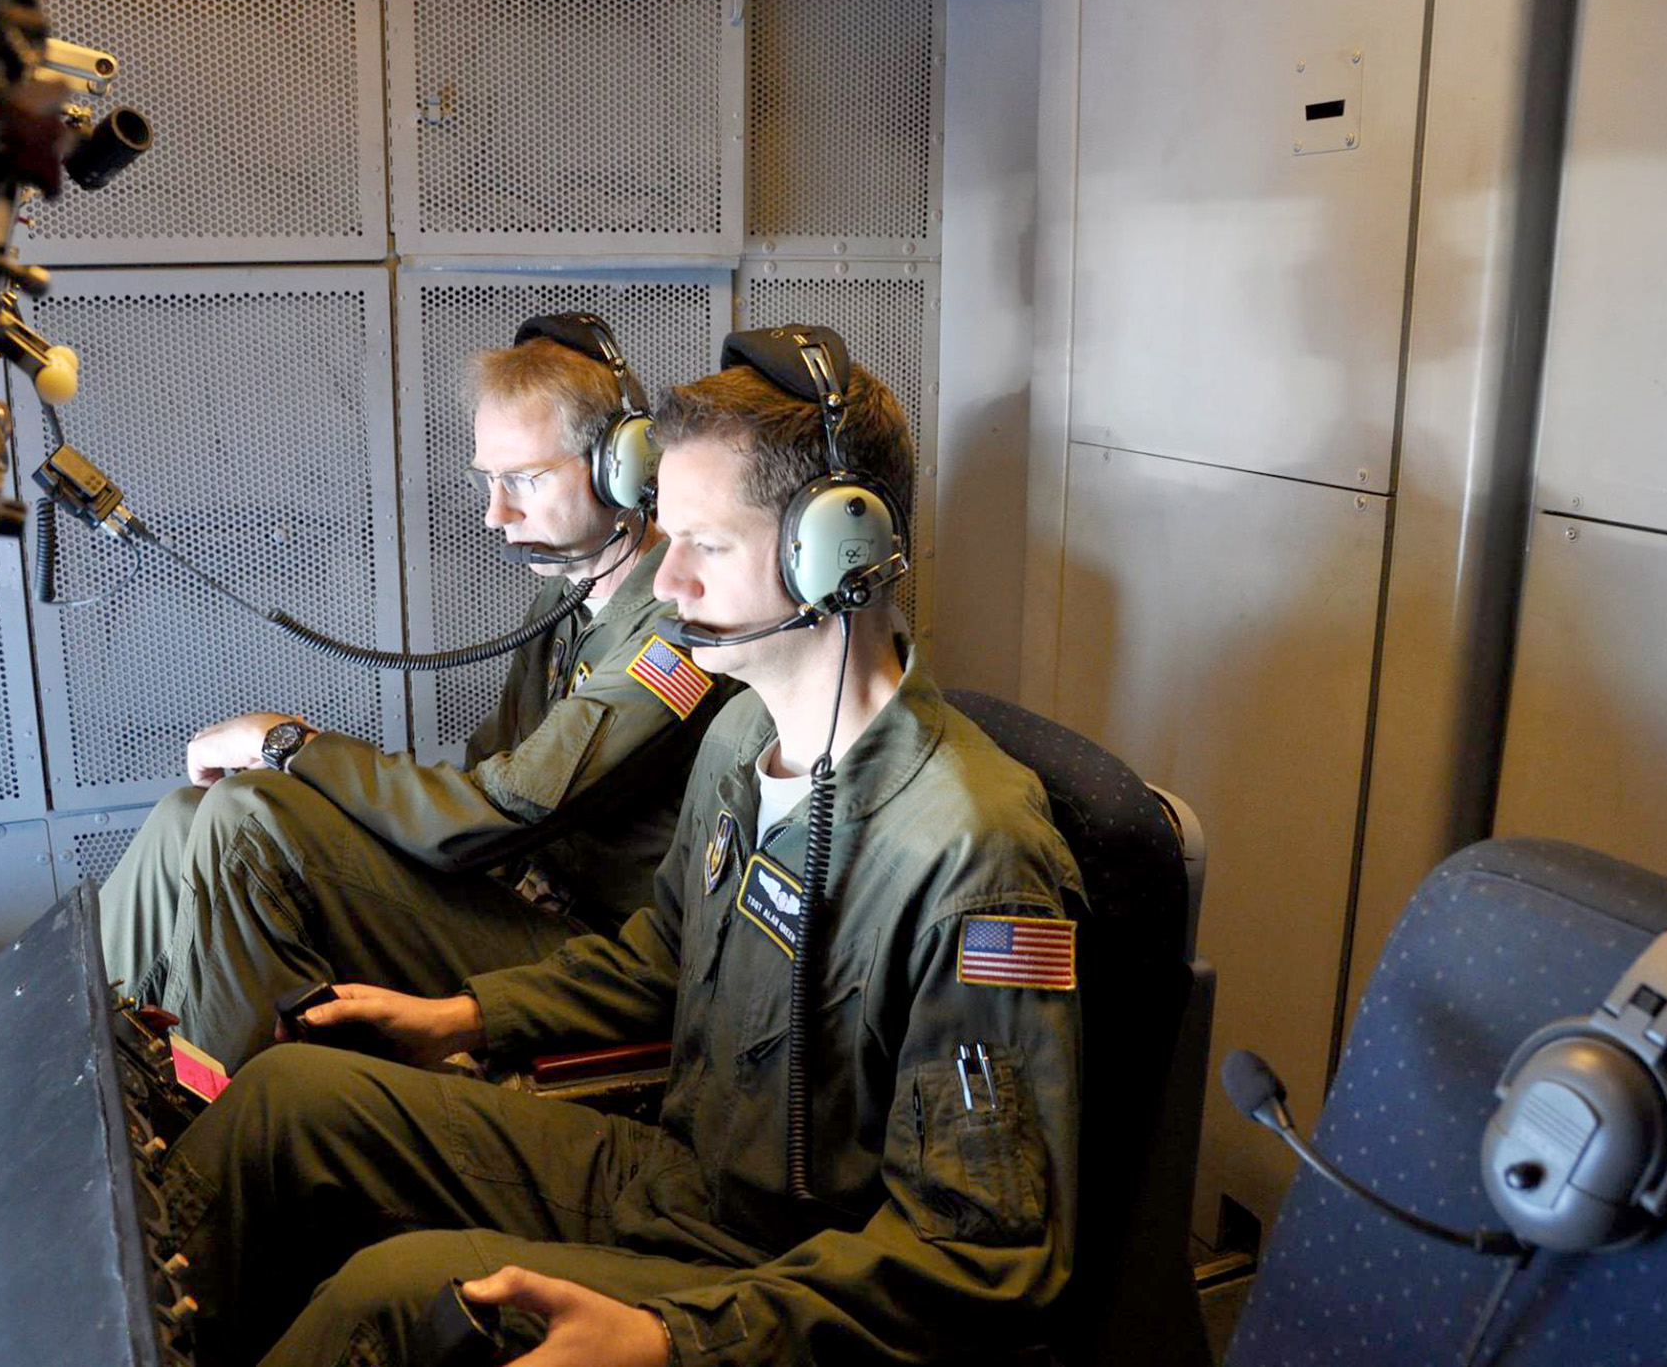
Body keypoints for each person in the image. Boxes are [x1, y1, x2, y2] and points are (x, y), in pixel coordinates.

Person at [159, 329, 1089, 1366]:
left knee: (392, 1293)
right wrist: (465, 1014)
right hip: (677, 1176)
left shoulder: (973, 857)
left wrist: (665, 1337)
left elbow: (982, 1259)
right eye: (670, 536)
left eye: (709, 545)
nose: (672, 582)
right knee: (290, 1097)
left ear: (839, 555)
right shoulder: (743, 732)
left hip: (780, 1273)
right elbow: (661, 955)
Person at [98, 318, 734, 1069]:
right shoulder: (563, 609)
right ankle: (89, 1065)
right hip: (513, 902)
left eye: (523, 479)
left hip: (591, 955)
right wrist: (298, 779)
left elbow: (496, 810)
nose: (496, 513)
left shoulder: (681, 635)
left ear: (623, 469)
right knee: (188, 817)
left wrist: (289, 748)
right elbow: (470, 782)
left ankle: (203, 1126)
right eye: (486, 480)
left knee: (244, 820)